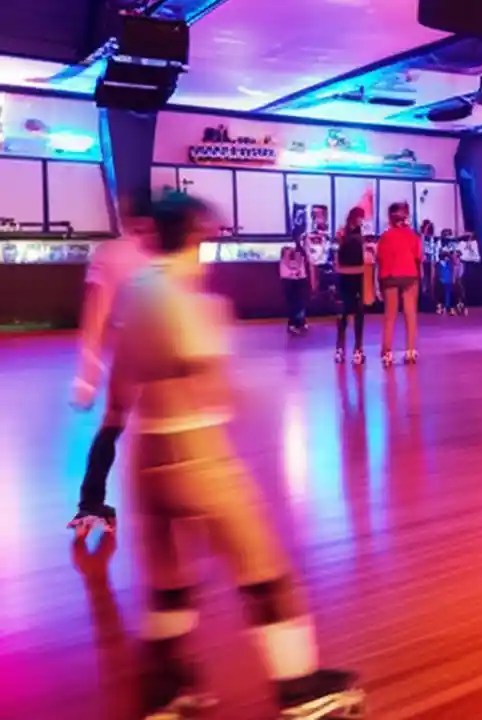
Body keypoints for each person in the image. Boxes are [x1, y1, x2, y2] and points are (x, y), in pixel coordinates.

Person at [106, 192, 363, 719]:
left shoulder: (133, 293)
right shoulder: (197, 302)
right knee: (264, 572)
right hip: (198, 454)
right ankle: (301, 691)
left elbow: (119, 389)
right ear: (198, 232)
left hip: (144, 457)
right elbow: (218, 393)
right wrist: (260, 390)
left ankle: (166, 694)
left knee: (170, 583)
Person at [67, 189, 153, 536]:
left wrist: (88, 371)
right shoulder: (165, 253)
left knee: (114, 424)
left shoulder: (111, 254)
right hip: (157, 352)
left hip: (133, 353)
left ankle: (91, 504)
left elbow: (96, 311)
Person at [375, 201, 422, 365]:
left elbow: (379, 259)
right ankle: (410, 351)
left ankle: (387, 353)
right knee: (410, 314)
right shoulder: (413, 236)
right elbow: (418, 258)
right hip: (410, 275)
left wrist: (378, 283)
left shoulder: (385, 237)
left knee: (390, 316)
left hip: (390, 276)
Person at [334, 206, 368, 365]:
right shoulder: (353, 234)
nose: (363, 220)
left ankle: (348, 348)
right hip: (353, 275)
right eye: (361, 217)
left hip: (349, 275)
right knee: (352, 312)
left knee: (349, 312)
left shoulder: (344, 233)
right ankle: (352, 348)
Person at [278, 233, 313, 335]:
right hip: (289, 281)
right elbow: (286, 267)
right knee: (292, 303)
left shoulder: (302, 254)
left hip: (300, 280)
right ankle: (293, 323)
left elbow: (304, 266)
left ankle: (301, 322)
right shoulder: (285, 256)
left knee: (300, 302)